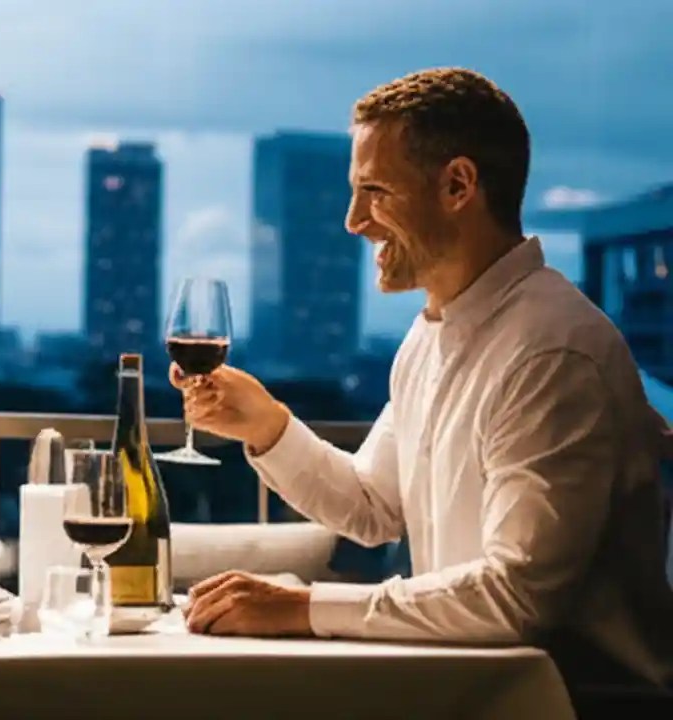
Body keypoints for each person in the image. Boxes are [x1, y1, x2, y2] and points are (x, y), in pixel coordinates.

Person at [176, 68, 673, 688]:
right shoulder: (432, 335)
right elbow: (374, 507)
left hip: (580, 701)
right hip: (471, 687)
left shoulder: (552, 352)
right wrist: (268, 427)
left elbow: (517, 597)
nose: (354, 220)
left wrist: (304, 609)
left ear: (459, 185)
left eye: (375, 190)